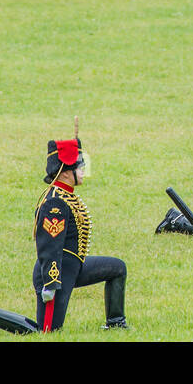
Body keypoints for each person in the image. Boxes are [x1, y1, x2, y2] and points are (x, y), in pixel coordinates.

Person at [32, 132, 128, 331]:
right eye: (79, 167)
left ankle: (116, 323)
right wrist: (51, 283)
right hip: (56, 273)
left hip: (73, 268)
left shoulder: (65, 195)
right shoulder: (56, 202)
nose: (83, 171)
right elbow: (50, 246)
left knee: (118, 268)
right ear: (66, 172)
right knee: (46, 330)